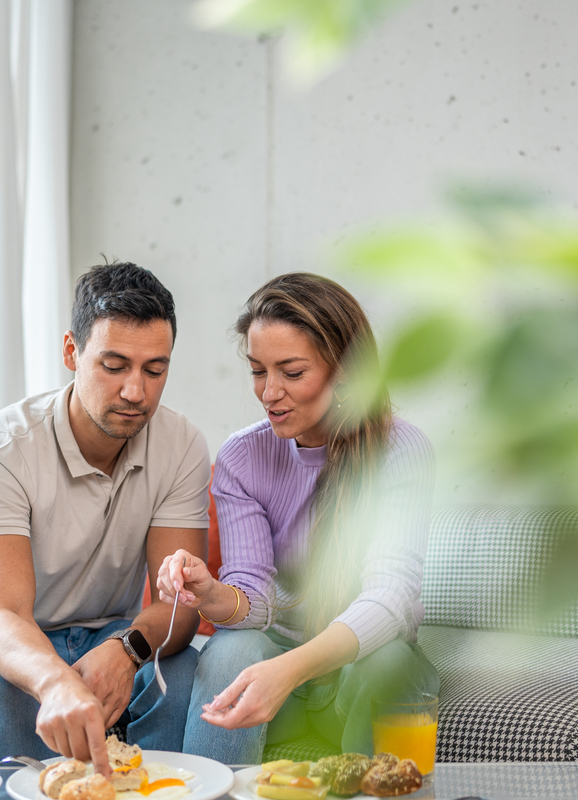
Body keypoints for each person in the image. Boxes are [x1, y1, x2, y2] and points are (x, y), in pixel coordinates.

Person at [0, 261, 210, 774]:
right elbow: (3, 617)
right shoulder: (0, 449)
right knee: (5, 689)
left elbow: (178, 606)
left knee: (182, 671)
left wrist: (127, 650)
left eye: (154, 369)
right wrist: (55, 681)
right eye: (114, 365)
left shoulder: (182, 445)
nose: (136, 392)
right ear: (72, 352)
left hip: (105, 632)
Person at [158, 272, 439, 764]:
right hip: (276, 679)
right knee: (230, 651)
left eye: (291, 372)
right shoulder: (243, 457)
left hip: (356, 668)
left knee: (388, 663)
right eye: (257, 371)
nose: (269, 393)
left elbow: (390, 596)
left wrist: (290, 670)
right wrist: (211, 594)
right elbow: (255, 599)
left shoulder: (401, 450)